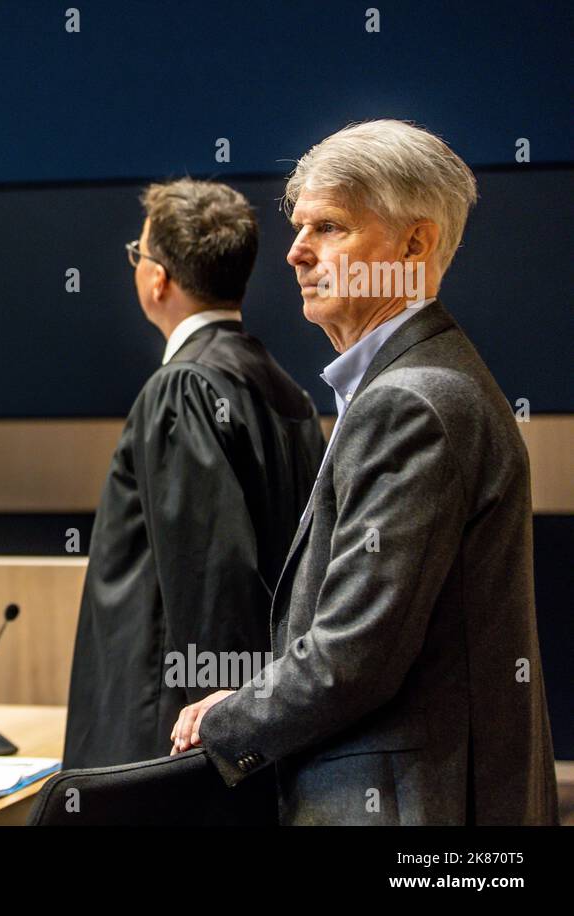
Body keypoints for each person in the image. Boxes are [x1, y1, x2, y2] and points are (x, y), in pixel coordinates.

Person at [171, 120, 558, 825]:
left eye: (329, 227)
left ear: (415, 245)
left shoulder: (413, 401)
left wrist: (225, 719)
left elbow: (355, 655)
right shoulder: (417, 382)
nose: (294, 252)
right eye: (298, 227)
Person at [63, 179, 324, 770]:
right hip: (267, 701)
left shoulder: (183, 386)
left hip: (171, 726)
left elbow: (211, 573)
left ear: (158, 278)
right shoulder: (288, 389)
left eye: (139, 252)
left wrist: (222, 730)